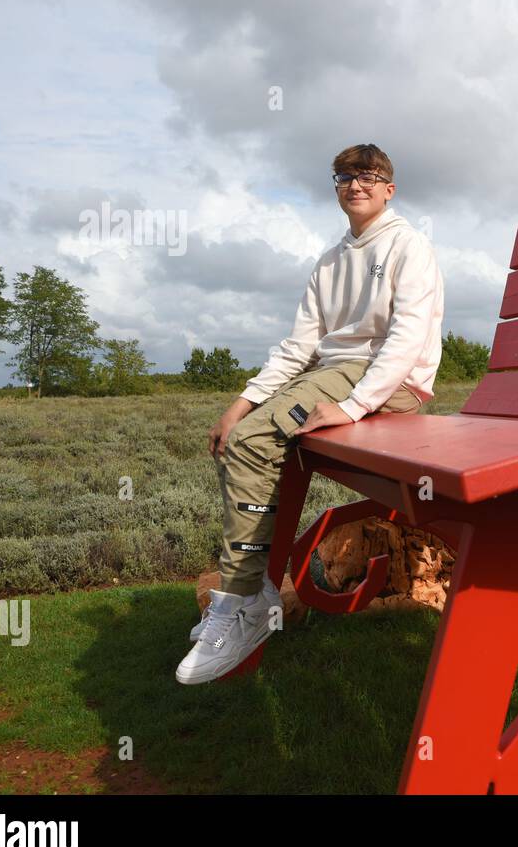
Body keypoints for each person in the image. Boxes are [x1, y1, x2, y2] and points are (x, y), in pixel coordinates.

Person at [176, 143, 444, 684]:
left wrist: (350, 406)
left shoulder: (409, 246)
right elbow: (297, 349)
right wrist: (240, 405)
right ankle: (244, 594)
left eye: (369, 176)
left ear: (389, 189)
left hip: (389, 381)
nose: (355, 184)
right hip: (331, 375)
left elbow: (406, 339)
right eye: (344, 176)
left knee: (255, 442)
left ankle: (246, 599)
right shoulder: (328, 262)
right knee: (242, 435)